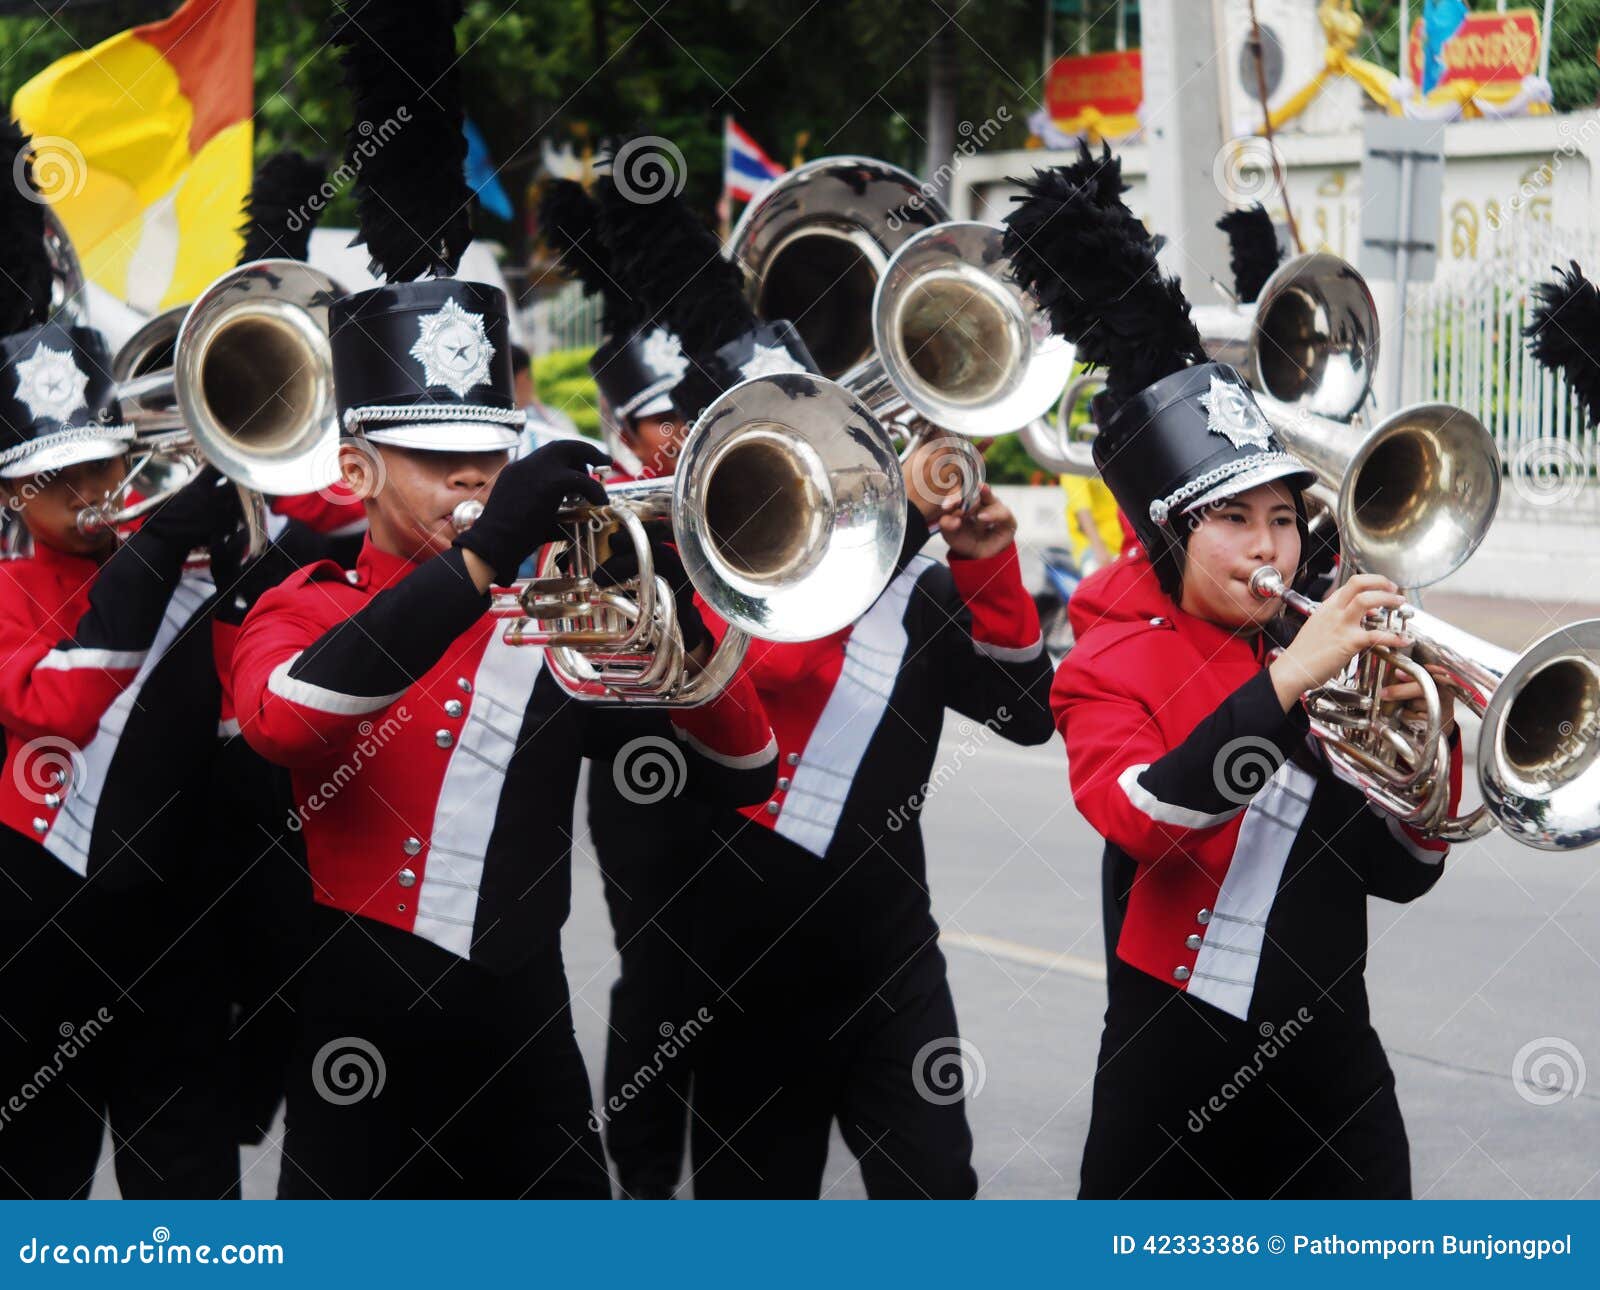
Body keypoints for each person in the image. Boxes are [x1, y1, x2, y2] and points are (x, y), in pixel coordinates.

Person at [1004, 146, 1461, 1198]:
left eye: (1282, 520)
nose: (1270, 549)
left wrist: (1419, 753)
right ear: (1168, 536)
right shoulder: (1106, 661)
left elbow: (1401, 874)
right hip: (1172, 1075)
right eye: (1234, 522)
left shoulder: (1313, 656)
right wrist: (1289, 682)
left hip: (1334, 1070)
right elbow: (1146, 817)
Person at [682, 433, 1057, 1198]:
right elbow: (776, 665)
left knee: (936, 1190)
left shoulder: (921, 588)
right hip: (749, 947)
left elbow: (1026, 714)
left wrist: (985, 563)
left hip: (890, 951)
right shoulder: (729, 554)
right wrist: (901, 527)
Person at [0, 177, 241, 1197]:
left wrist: (236, 542)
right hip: (30, 925)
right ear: (12, 489)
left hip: (174, 925)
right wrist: (163, 553)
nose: (91, 496)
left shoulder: (184, 570)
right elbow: (62, 698)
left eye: (100, 468)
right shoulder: (10, 589)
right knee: (32, 1182)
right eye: (58, 480)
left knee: (187, 1191)